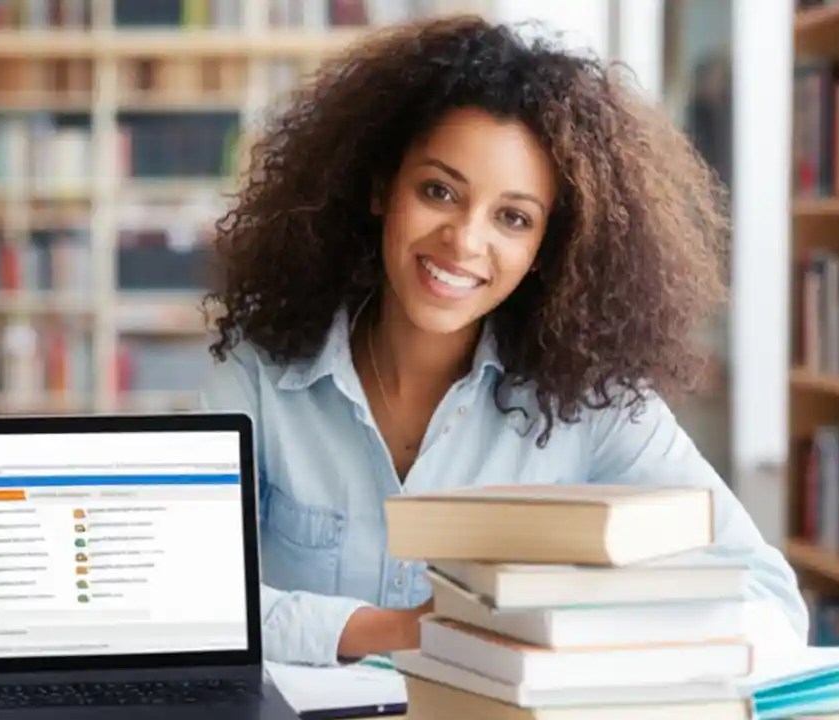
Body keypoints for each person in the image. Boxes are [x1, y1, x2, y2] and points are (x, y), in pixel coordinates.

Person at [198, 15, 807, 667]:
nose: (464, 241)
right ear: (381, 188)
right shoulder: (261, 372)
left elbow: (769, 604)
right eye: (439, 191)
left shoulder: (594, 404)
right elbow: (184, 603)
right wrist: (403, 629)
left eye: (512, 218)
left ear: (548, 248)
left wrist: (571, 634)